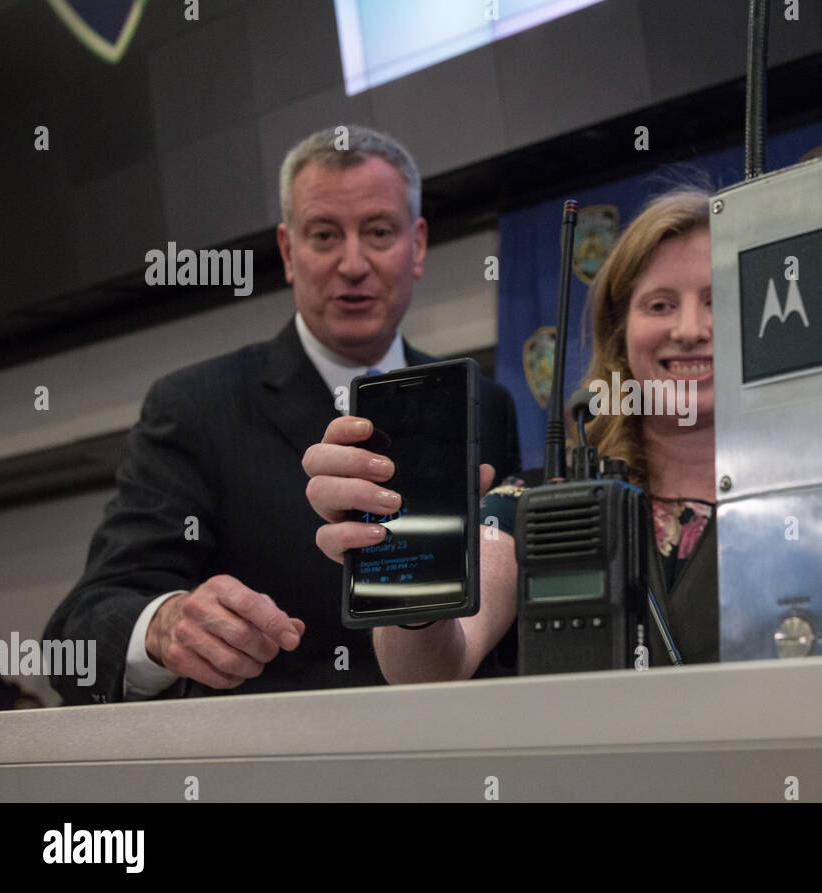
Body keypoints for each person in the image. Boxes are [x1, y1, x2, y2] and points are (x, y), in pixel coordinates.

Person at [45, 125, 521, 704]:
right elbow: (81, 627)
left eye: (378, 232)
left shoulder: (484, 405)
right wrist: (167, 625)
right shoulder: (196, 407)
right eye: (324, 235)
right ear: (289, 252)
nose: (353, 263)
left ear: (416, 245)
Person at [304, 189, 716, 681]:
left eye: (719, 300)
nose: (690, 329)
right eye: (661, 304)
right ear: (618, 332)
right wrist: (412, 584)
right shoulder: (526, 502)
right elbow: (428, 672)